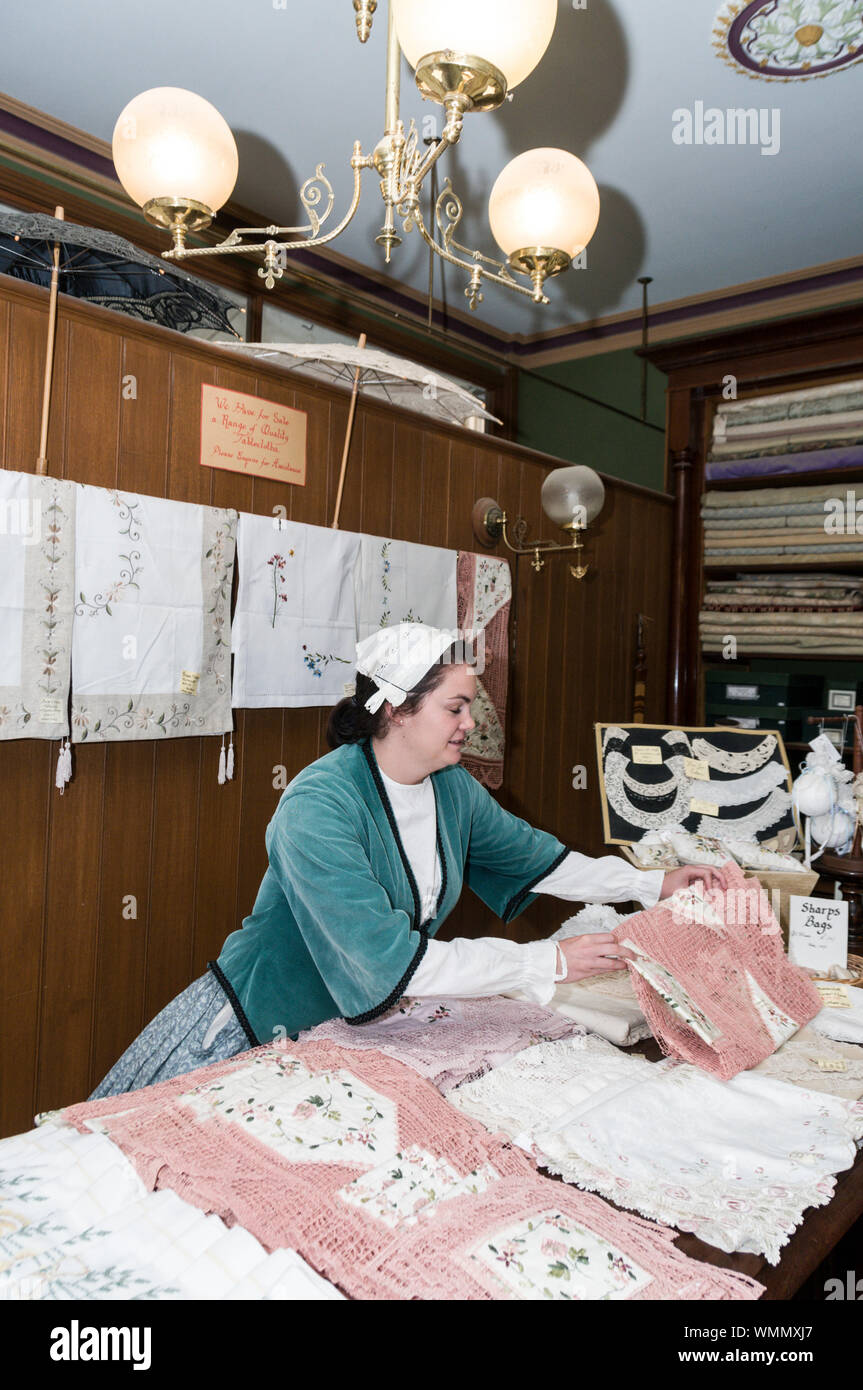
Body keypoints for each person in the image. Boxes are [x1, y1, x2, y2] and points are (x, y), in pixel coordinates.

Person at [91, 623, 726, 1098]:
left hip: (347, 1027)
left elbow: (540, 859)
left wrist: (652, 882)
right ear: (397, 709)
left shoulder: (451, 788)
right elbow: (388, 960)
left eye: (470, 707)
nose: (470, 724)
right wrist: (546, 960)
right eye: (456, 707)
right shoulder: (319, 804)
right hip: (257, 1024)